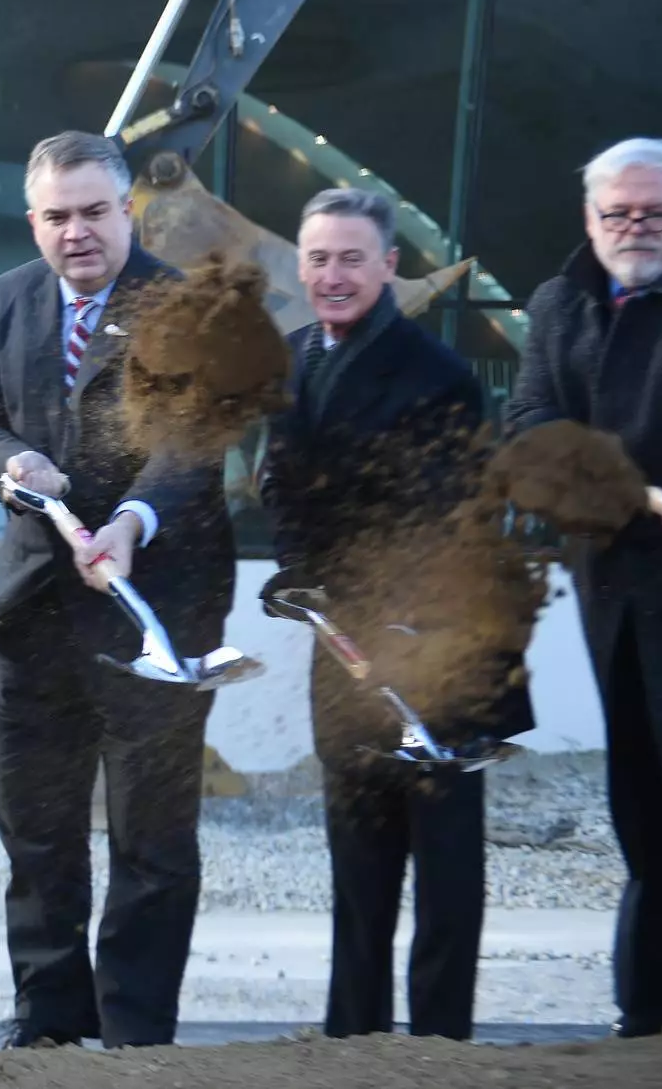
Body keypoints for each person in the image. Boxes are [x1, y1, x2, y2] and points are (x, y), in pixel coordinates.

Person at [0, 129, 231, 1050]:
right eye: (57, 215)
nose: (77, 232)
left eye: (94, 212)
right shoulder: (9, 298)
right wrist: (8, 463)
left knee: (150, 837)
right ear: (33, 222)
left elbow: (190, 445)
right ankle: (46, 1023)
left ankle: (137, 1031)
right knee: (35, 827)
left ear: (127, 212)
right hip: (36, 607)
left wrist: (131, 522)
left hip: (155, 603)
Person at [259, 187, 530, 1040]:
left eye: (350, 258)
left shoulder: (439, 375)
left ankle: (442, 1046)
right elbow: (287, 493)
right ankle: (355, 1043)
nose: (332, 275)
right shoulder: (293, 359)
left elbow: (456, 521)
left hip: (436, 651)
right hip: (342, 652)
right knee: (358, 863)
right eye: (317, 258)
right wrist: (296, 577)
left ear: (389, 265)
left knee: (444, 865)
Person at [506, 137, 662, 1038]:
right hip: (614, 591)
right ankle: (651, 1005)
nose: (637, 229)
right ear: (590, 218)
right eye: (619, 213)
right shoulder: (559, 304)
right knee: (642, 802)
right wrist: (623, 483)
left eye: (657, 213)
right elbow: (532, 425)